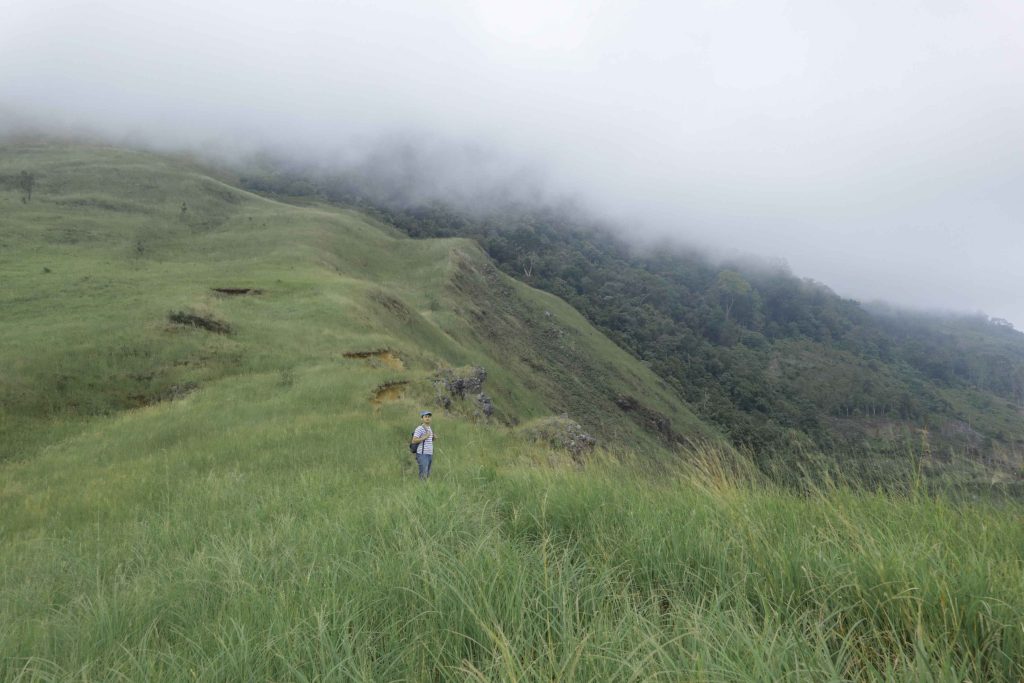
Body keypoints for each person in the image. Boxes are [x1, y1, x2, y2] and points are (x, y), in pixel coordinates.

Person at [412, 410, 436, 480]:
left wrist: (433, 438)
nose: (427, 418)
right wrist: (425, 437)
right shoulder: (419, 428)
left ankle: (426, 489)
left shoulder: (429, 428)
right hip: (422, 454)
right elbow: (414, 440)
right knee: (423, 474)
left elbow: (428, 440)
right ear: (422, 419)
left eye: (429, 417)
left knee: (428, 473)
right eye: (425, 417)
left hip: (429, 453)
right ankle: (421, 488)